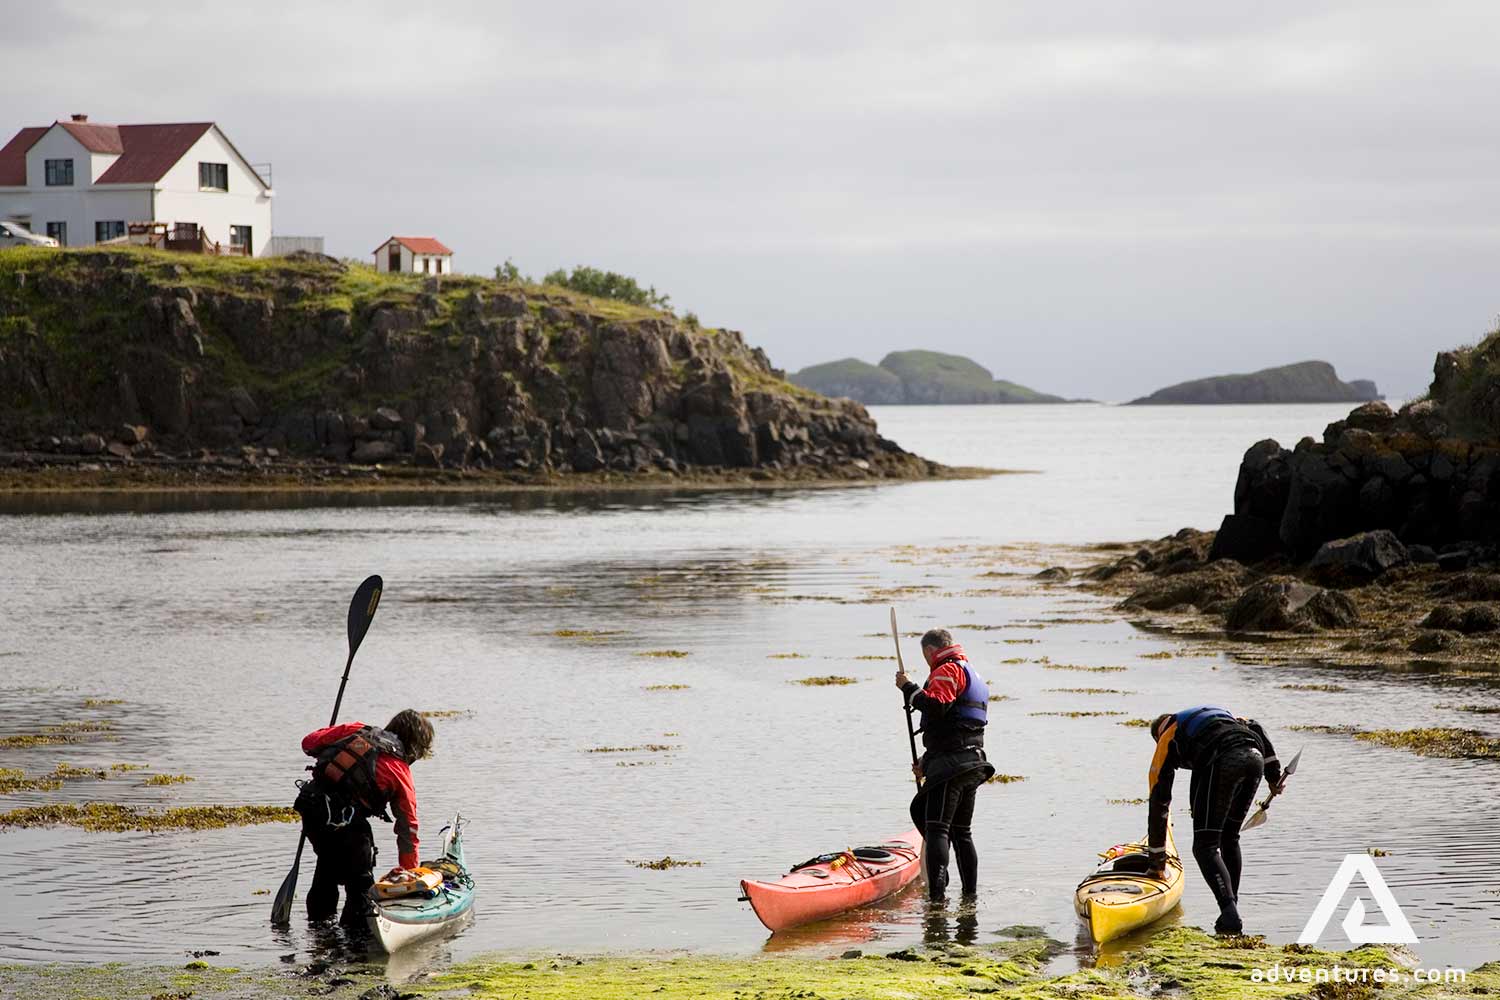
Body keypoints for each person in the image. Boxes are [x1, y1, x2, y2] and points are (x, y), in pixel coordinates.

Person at [1144, 706, 1283, 935]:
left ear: (1158, 734)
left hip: (1222, 759)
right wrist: (1274, 774)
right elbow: (1255, 725)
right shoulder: (1219, 717)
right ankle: (1232, 908)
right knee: (1229, 837)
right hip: (1253, 757)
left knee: (1204, 846)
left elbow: (1159, 802)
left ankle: (1229, 916)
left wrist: (1157, 864)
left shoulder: (1168, 735)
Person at [294, 709, 434, 925]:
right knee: (359, 883)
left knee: (327, 866)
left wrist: (328, 740)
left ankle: (319, 932)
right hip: (346, 823)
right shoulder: (399, 770)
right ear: (415, 746)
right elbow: (408, 827)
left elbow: (308, 743)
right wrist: (409, 873)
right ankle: (356, 943)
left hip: (312, 808)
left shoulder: (356, 730)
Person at [895, 628, 995, 901]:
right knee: (962, 832)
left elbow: (937, 708)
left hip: (952, 766)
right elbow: (955, 726)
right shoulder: (970, 671)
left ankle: (937, 899)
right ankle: (969, 896)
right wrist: (927, 761)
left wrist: (909, 688)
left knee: (938, 828)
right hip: (972, 762)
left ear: (930, 651)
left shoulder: (946, 670)